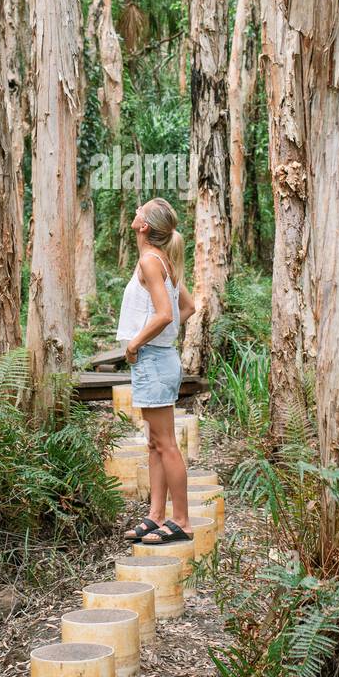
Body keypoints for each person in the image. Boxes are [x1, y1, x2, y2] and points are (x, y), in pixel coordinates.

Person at [115, 197, 196, 544]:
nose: (135, 212)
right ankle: (155, 514)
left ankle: (182, 521)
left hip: (152, 359)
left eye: (139, 211)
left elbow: (165, 313)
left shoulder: (150, 260)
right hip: (159, 359)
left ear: (144, 226)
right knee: (154, 443)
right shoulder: (162, 260)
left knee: (165, 444)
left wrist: (135, 344)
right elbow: (187, 307)